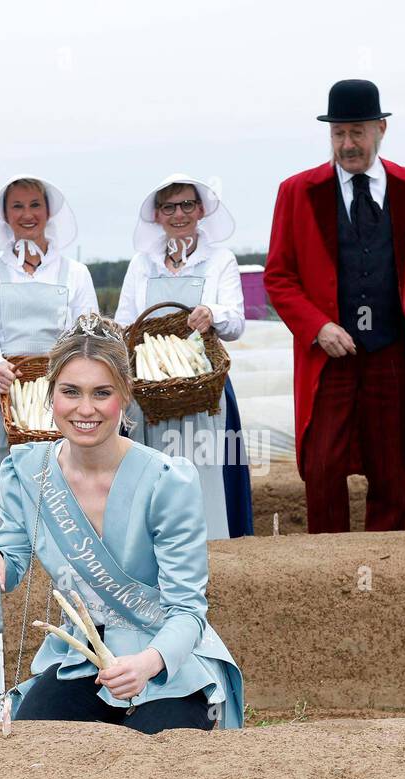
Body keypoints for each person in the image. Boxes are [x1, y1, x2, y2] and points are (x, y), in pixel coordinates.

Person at [0, 314, 243, 733]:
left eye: (102, 393)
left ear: (125, 396)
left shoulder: (169, 480)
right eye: (70, 392)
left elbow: (187, 610)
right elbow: (12, 555)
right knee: (37, 746)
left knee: (162, 757)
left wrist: (147, 664)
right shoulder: (27, 470)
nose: (85, 409)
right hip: (80, 660)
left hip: (167, 660)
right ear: (50, 393)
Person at [265, 79, 405, 532]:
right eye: (338, 133)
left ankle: (385, 568)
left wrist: (394, 307)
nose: (347, 144)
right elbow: (279, 277)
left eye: (358, 132)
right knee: (323, 465)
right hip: (327, 357)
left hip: (391, 353)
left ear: (381, 129)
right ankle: (327, 567)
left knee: (391, 467)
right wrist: (319, 326)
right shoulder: (296, 192)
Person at [114, 173, 254, 539]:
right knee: (153, 479)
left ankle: (213, 544)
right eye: (169, 206)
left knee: (203, 472)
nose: (179, 214)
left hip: (202, 389)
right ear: (157, 215)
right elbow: (124, 324)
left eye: (187, 205)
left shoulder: (220, 260)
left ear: (201, 210)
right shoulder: (142, 264)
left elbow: (237, 323)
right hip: (148, 394)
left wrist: (212, 313)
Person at [0, 175, 98, 536]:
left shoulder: (75, 273)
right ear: (5, 215)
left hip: (62, 393)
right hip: (8, 393)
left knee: (65, 472)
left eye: (35, 205)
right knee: (6, 471)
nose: (28, 215)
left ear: (49, 211)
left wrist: (71, 378)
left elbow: (87, 332)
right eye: (18, 206)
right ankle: (9, 555)